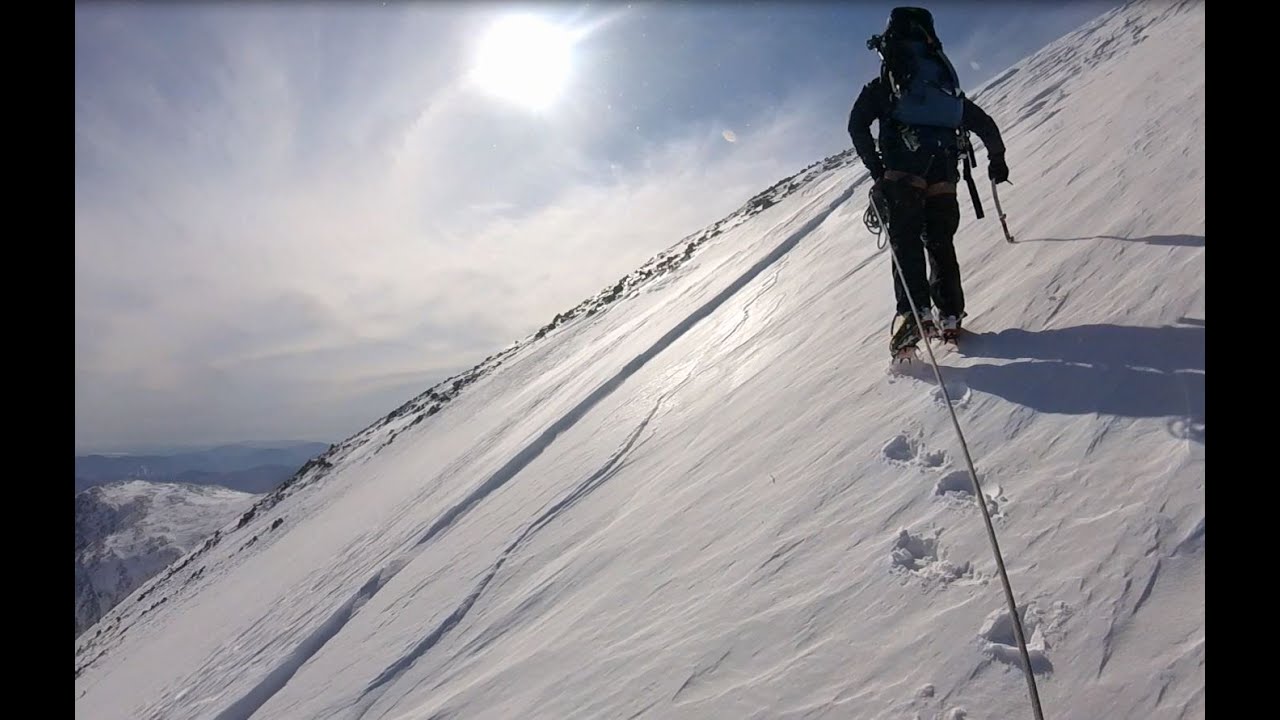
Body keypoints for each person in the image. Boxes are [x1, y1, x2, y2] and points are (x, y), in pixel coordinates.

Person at [847, 7, 1009, 356]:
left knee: (905, 240)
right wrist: (998, 160)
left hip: (902, 173)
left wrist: (878, 170)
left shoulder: (887, 86)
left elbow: (856, 125)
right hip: (945, 173)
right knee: (940, 243)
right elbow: (983, 123)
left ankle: (914, 313)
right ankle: (950, 315)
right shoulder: (944, 86)